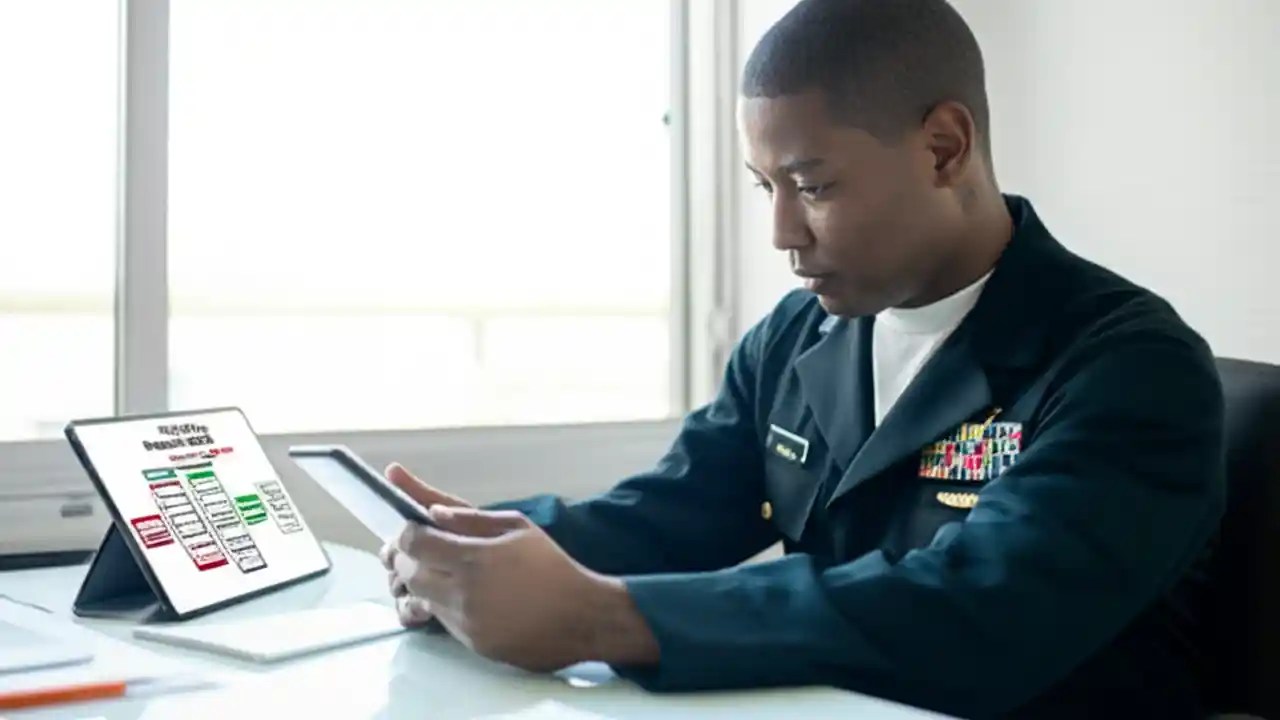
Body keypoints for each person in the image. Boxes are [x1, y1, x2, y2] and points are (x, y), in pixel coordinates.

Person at [378, 0, 1226, 717]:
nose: (782, 233)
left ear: (943, 147)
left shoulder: (1130, 367)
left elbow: (976, 609)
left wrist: (603, 619)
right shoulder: (794, 337)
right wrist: (478, 547)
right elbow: (673, 513)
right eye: (766, 188)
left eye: (812, 187)